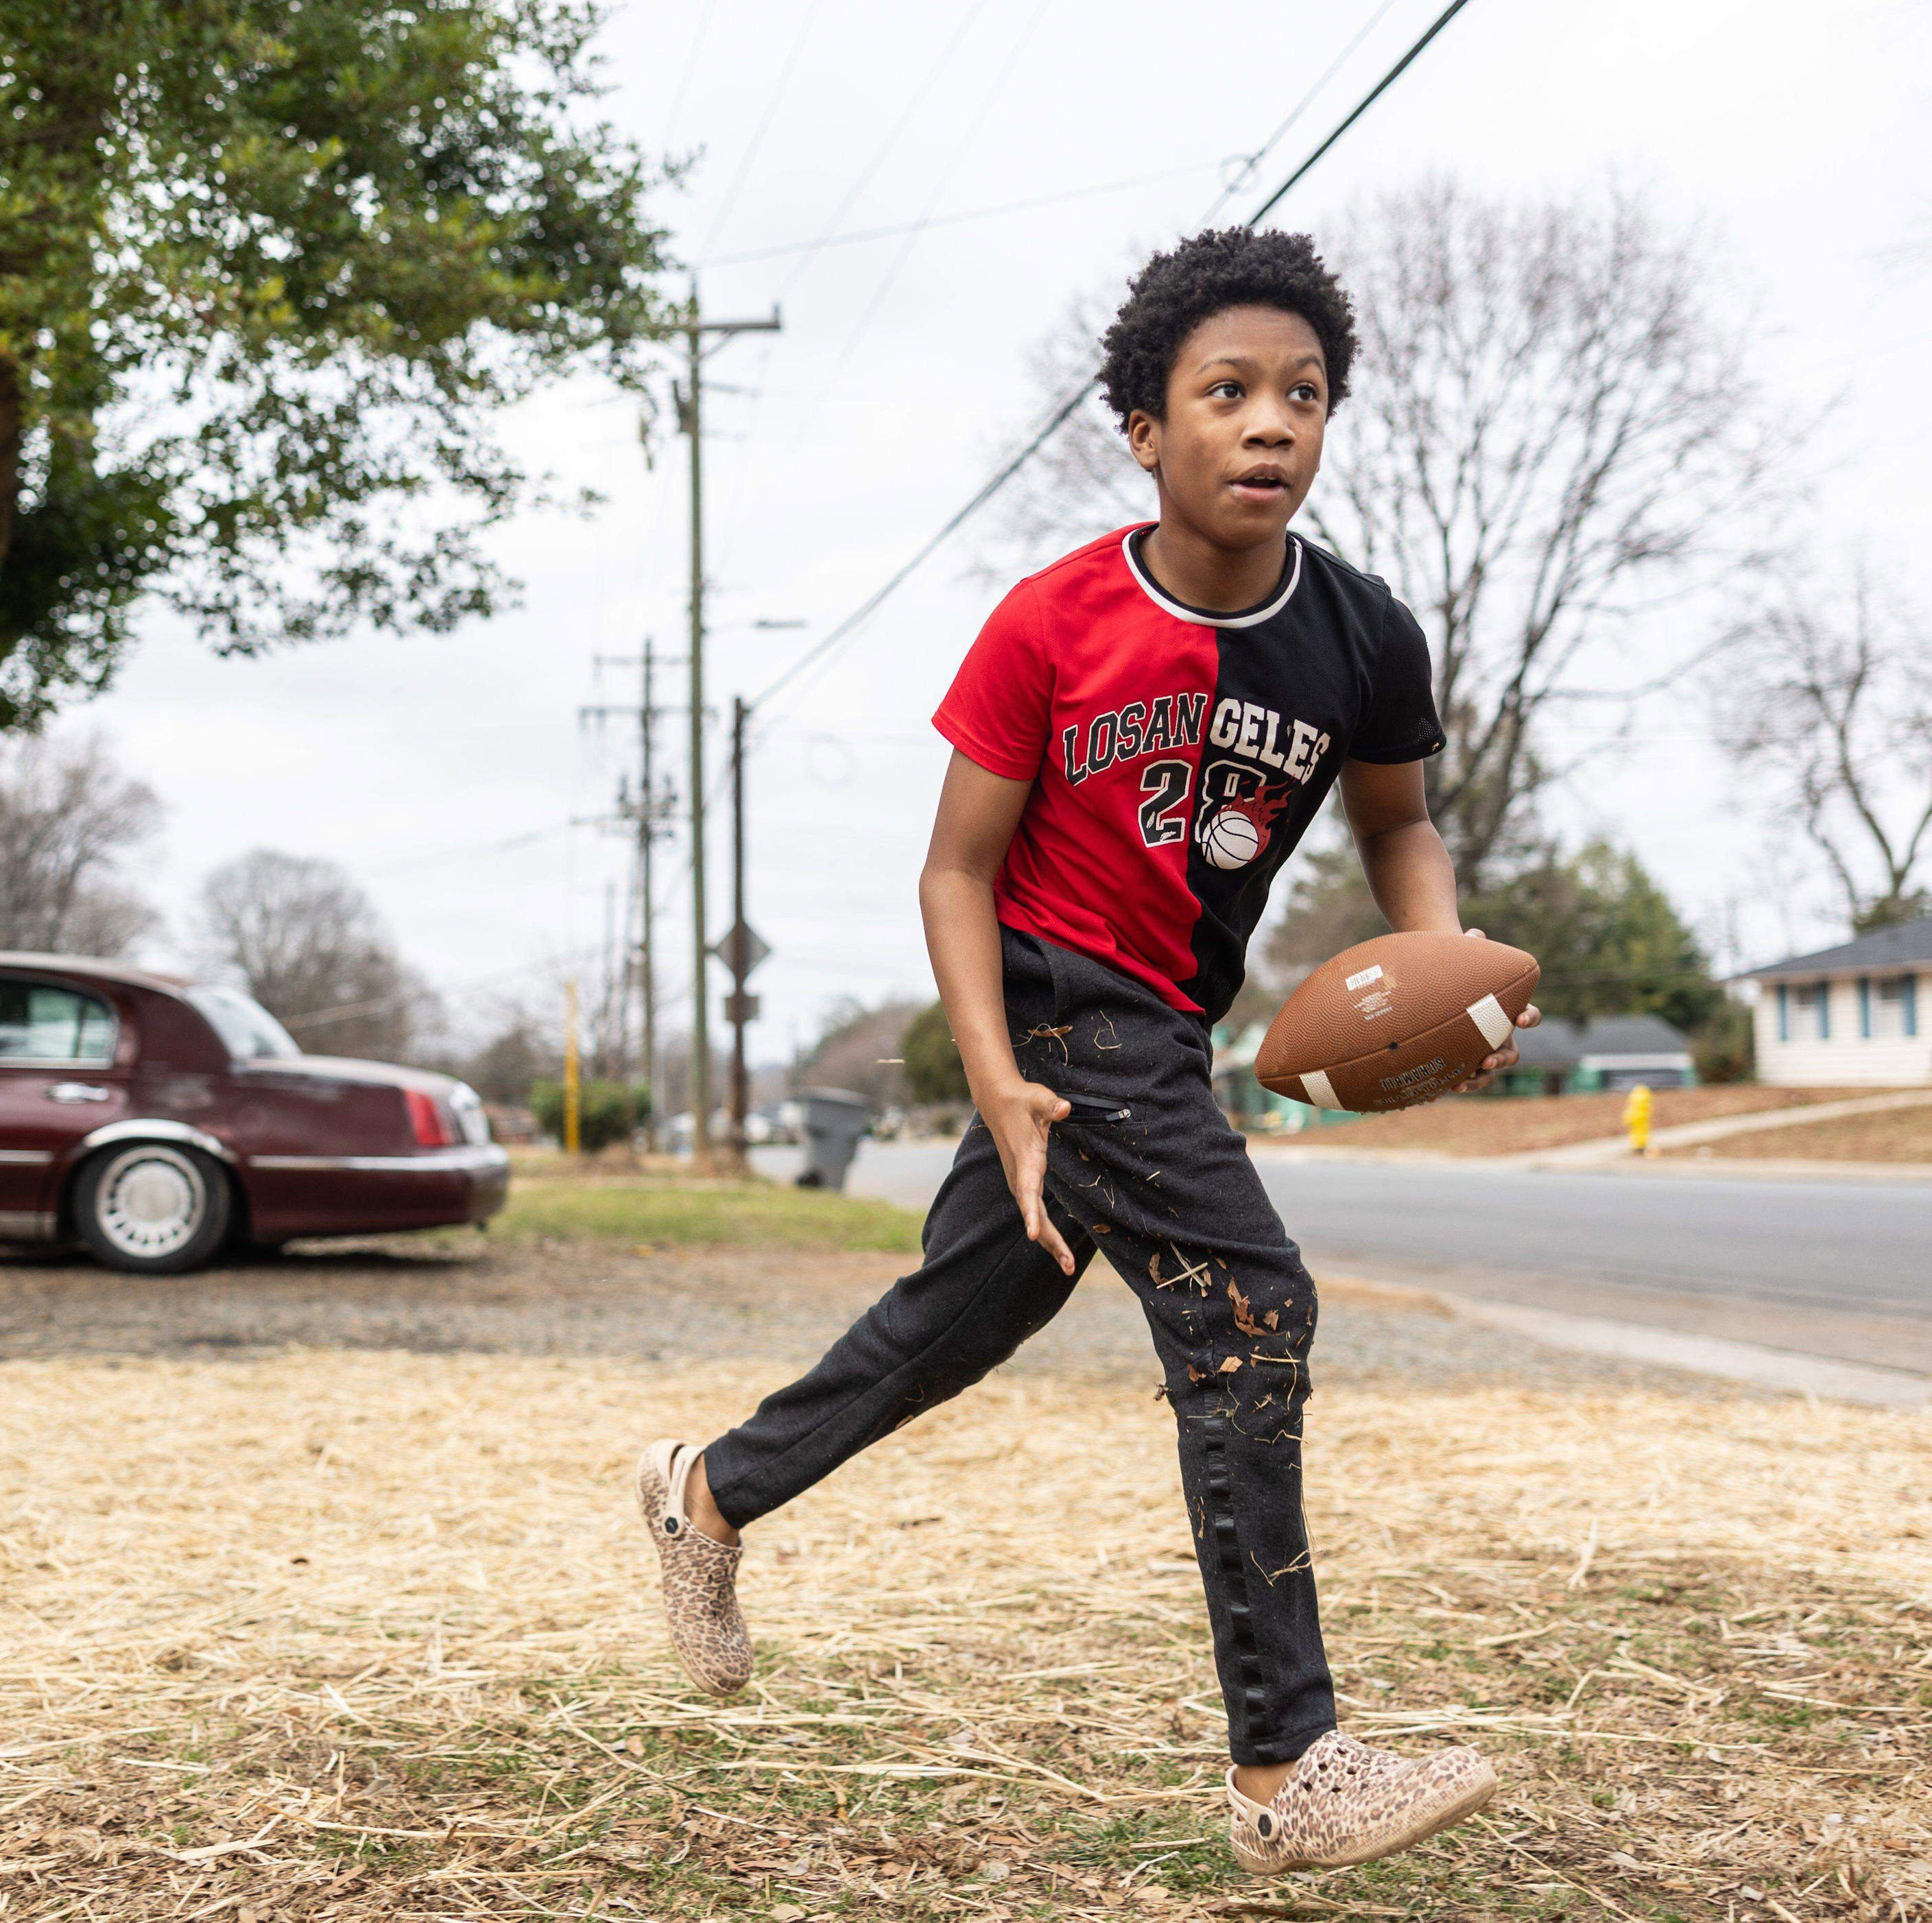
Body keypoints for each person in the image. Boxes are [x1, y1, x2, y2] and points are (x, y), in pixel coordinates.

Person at [633, 228, 1538, 1875]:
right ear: (1146, 429)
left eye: (1305, 394)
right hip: (1056, 993)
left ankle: (706, 1493)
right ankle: (1289, 1766)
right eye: (1228, 391)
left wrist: (1444, 981)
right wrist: (994, 1072)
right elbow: (954, 870)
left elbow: (1401, 823)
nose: (1272, 422)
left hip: (1168, 1024)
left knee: (963, 1316)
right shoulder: (1051, 623)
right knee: (1255, 1308)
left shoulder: (1362, 637)